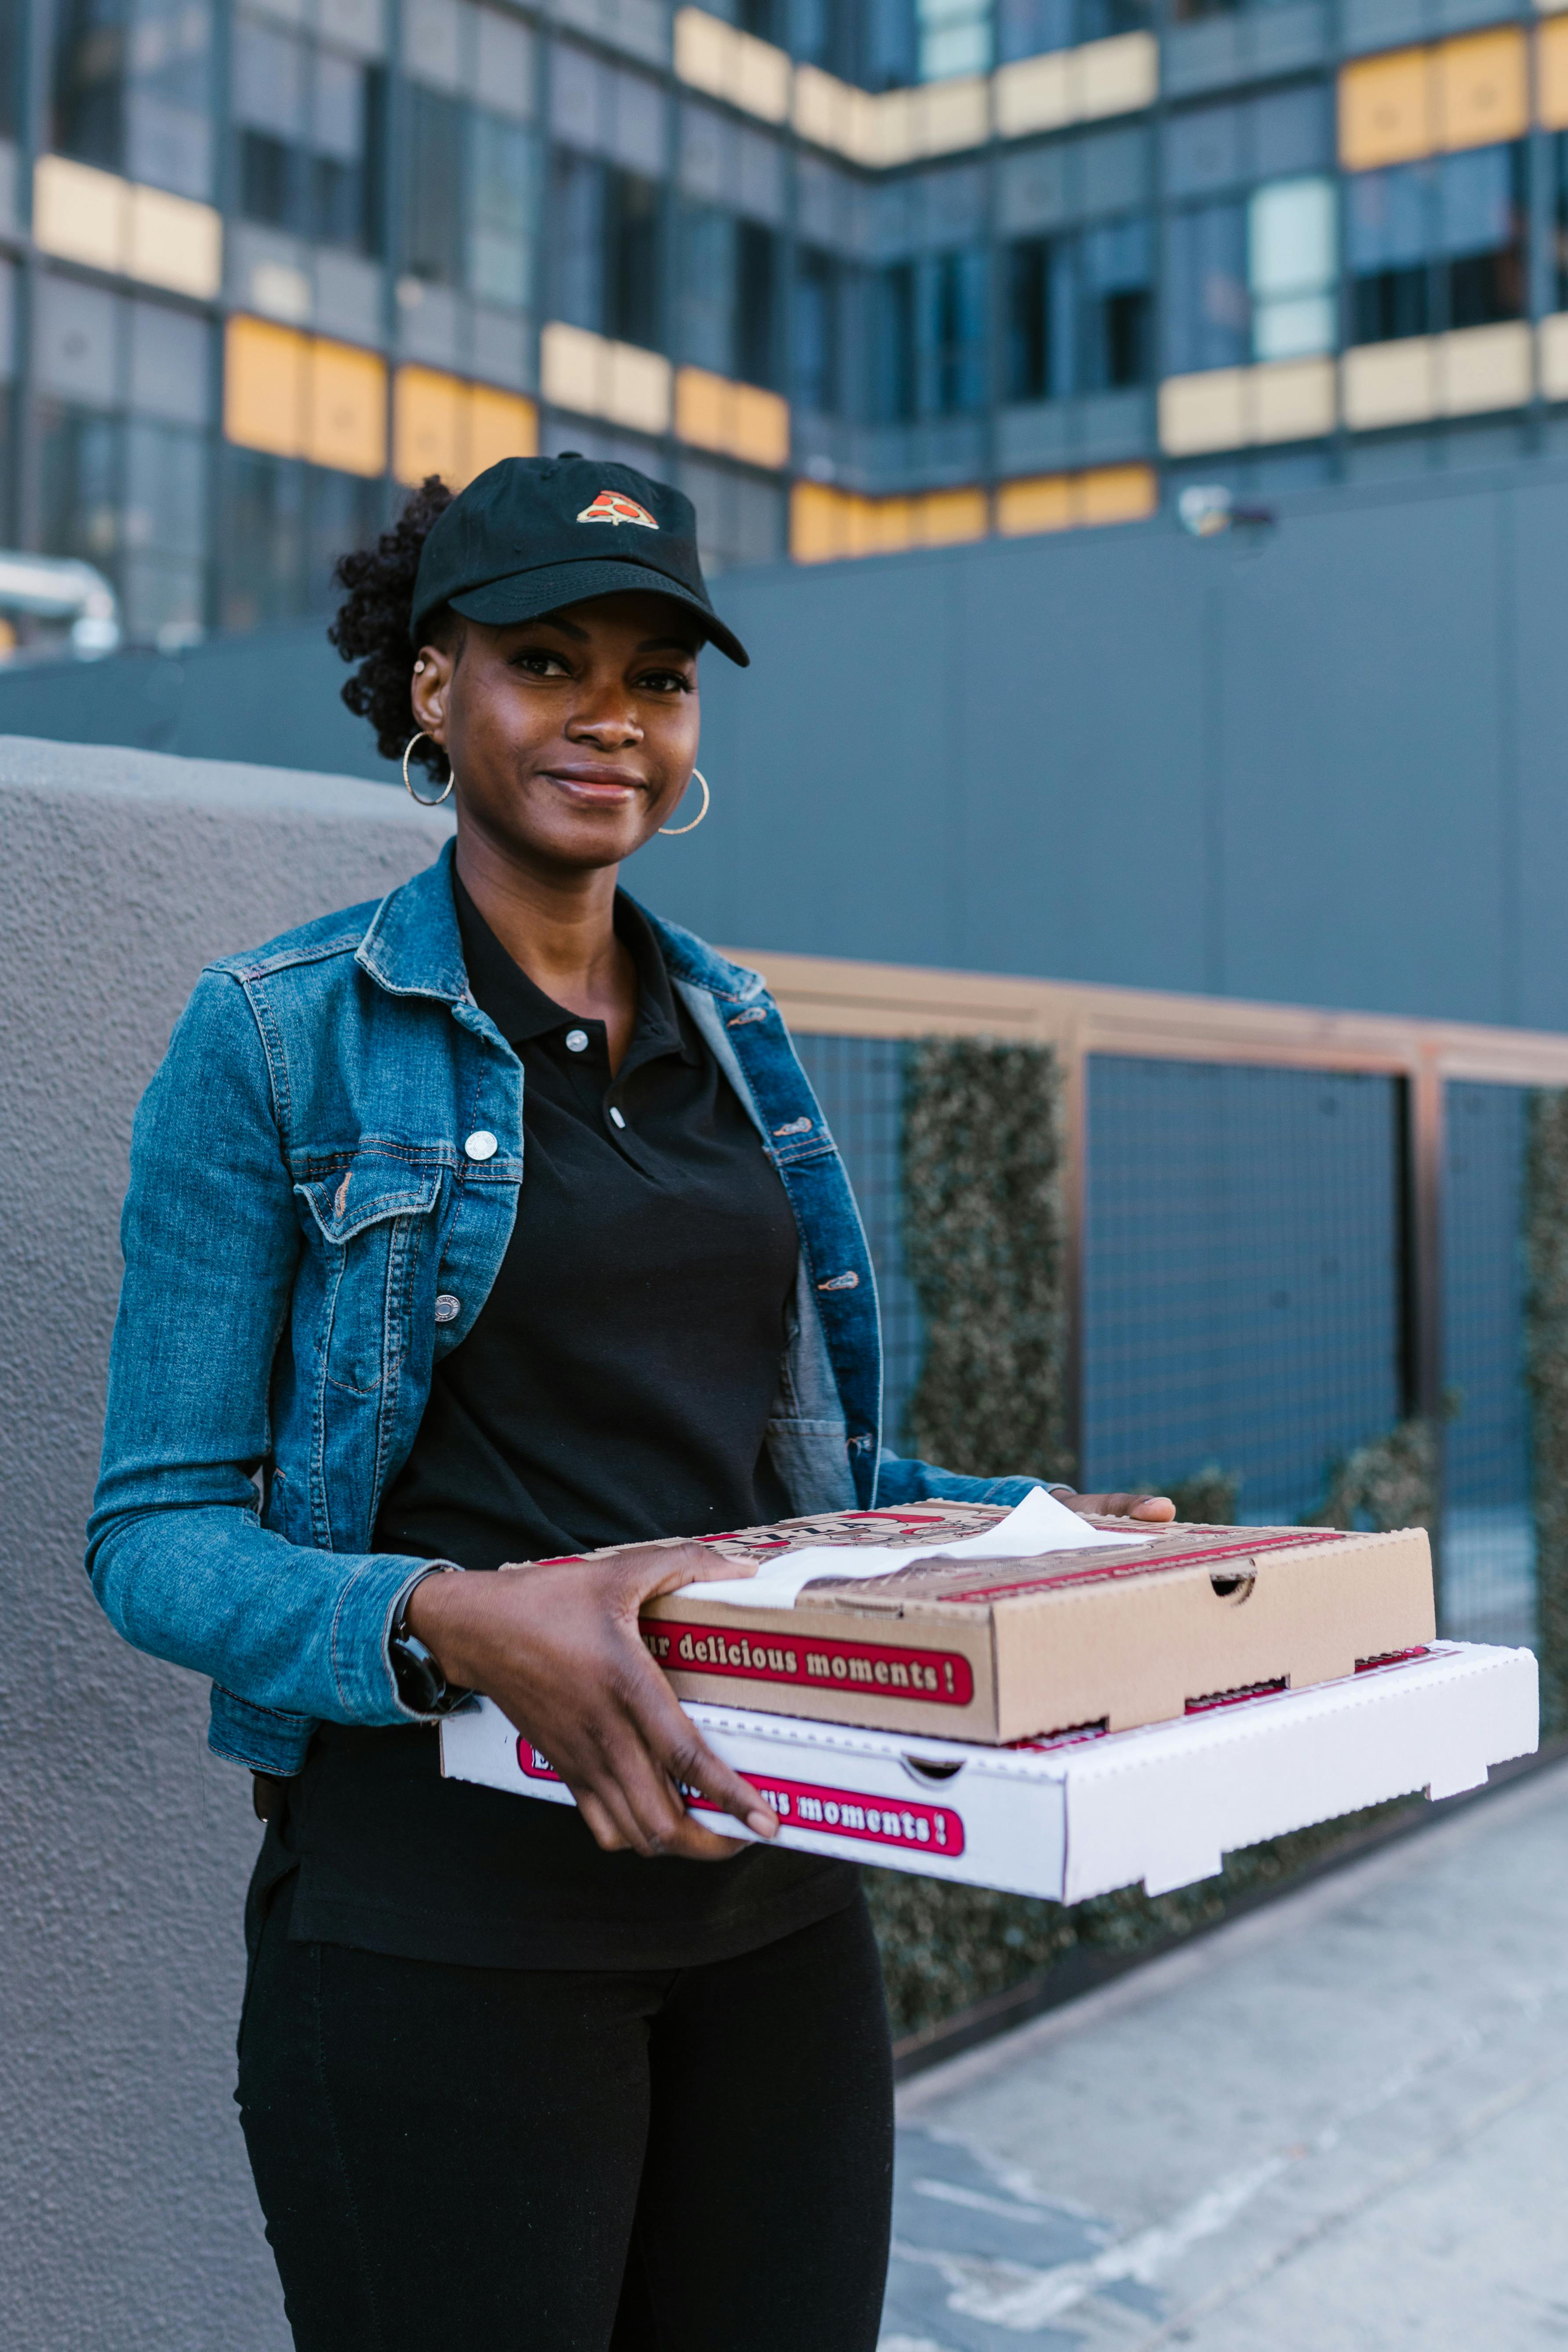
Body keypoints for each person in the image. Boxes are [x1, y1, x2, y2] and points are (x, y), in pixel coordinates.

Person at [87, 454, 1175, 2352]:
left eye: (659, 677)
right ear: (436, 687)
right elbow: (156, 1537)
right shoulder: (270, 1035)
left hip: (775, 1910)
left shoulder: (736, 1034)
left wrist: (1025, 1532)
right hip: (440, 1937)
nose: (612, 717)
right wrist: (448, 1623)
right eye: (548, 659)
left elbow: (777, 1481)